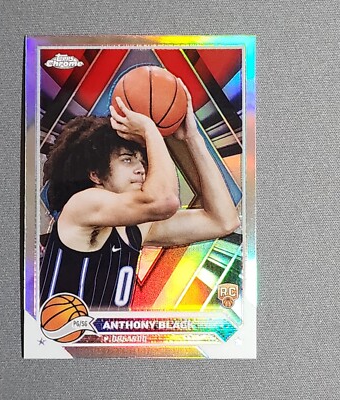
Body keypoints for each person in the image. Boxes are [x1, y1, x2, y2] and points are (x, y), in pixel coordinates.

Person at [40, 81, 240, 310]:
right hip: (58, 331)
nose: (141, 169)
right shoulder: (83, 204)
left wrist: (192, 138)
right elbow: (165, 201)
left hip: (104, 333)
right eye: (127, 159)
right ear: (96, 174)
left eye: (142, 161)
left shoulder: (134, 228)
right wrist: (150, 130)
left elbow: (224, 221)